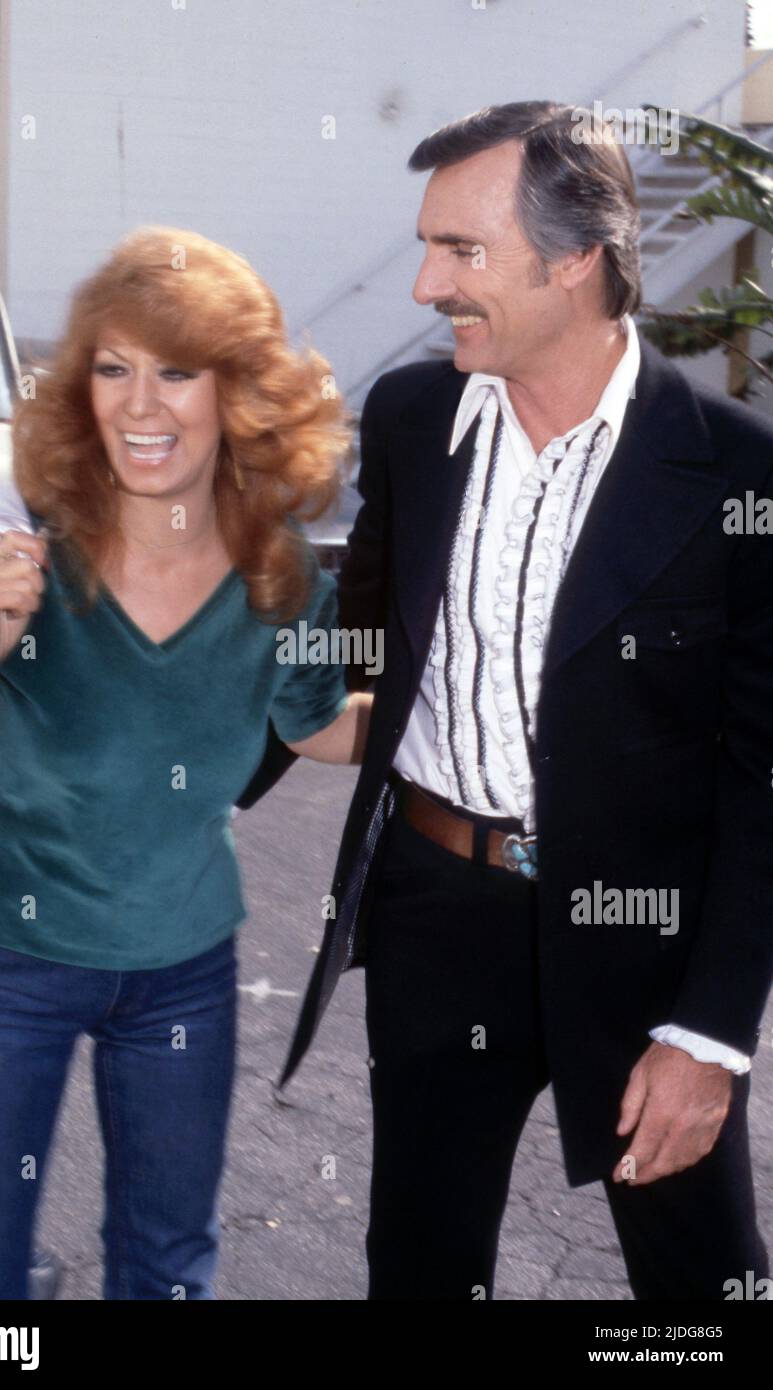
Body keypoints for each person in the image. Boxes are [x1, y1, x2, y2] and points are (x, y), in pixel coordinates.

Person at [277, 102, 773, 1299]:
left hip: (643, 934)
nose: (421, 286)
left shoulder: (736, 472)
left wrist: (709, 1033)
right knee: (423, 1267)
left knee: (701, 1281)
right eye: (426, 245)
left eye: (461, 251)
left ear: (574, 261)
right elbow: (360, 636)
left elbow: (761, 772)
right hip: (438, 915)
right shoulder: (409, 420)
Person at [0, 225, 369, 1300]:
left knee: (167, 1264)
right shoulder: (17, 537)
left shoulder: (278, 570)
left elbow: (318, 723)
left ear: (239, 394)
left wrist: (472, 722)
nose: (139, 406)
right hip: (4, 964)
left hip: (182, 970)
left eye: (177, 372)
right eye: (113, 368)